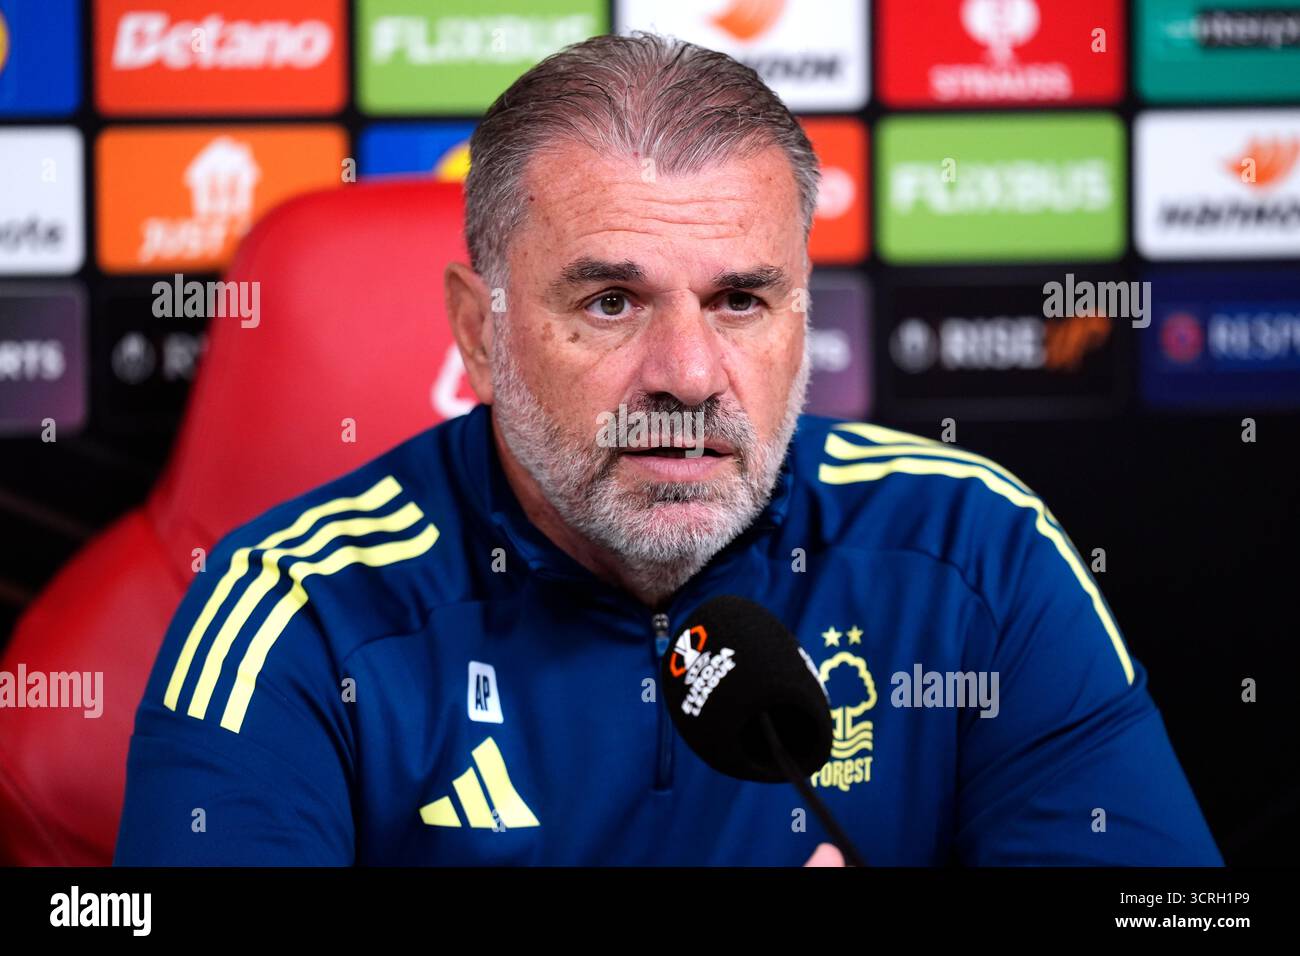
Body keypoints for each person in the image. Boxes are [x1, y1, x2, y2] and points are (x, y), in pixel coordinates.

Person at [114, 32, 1221, 866]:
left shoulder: (975, 549)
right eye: (608, 300)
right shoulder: (295, 612)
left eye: (741, 298)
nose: (687, 373)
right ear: (478, 331)